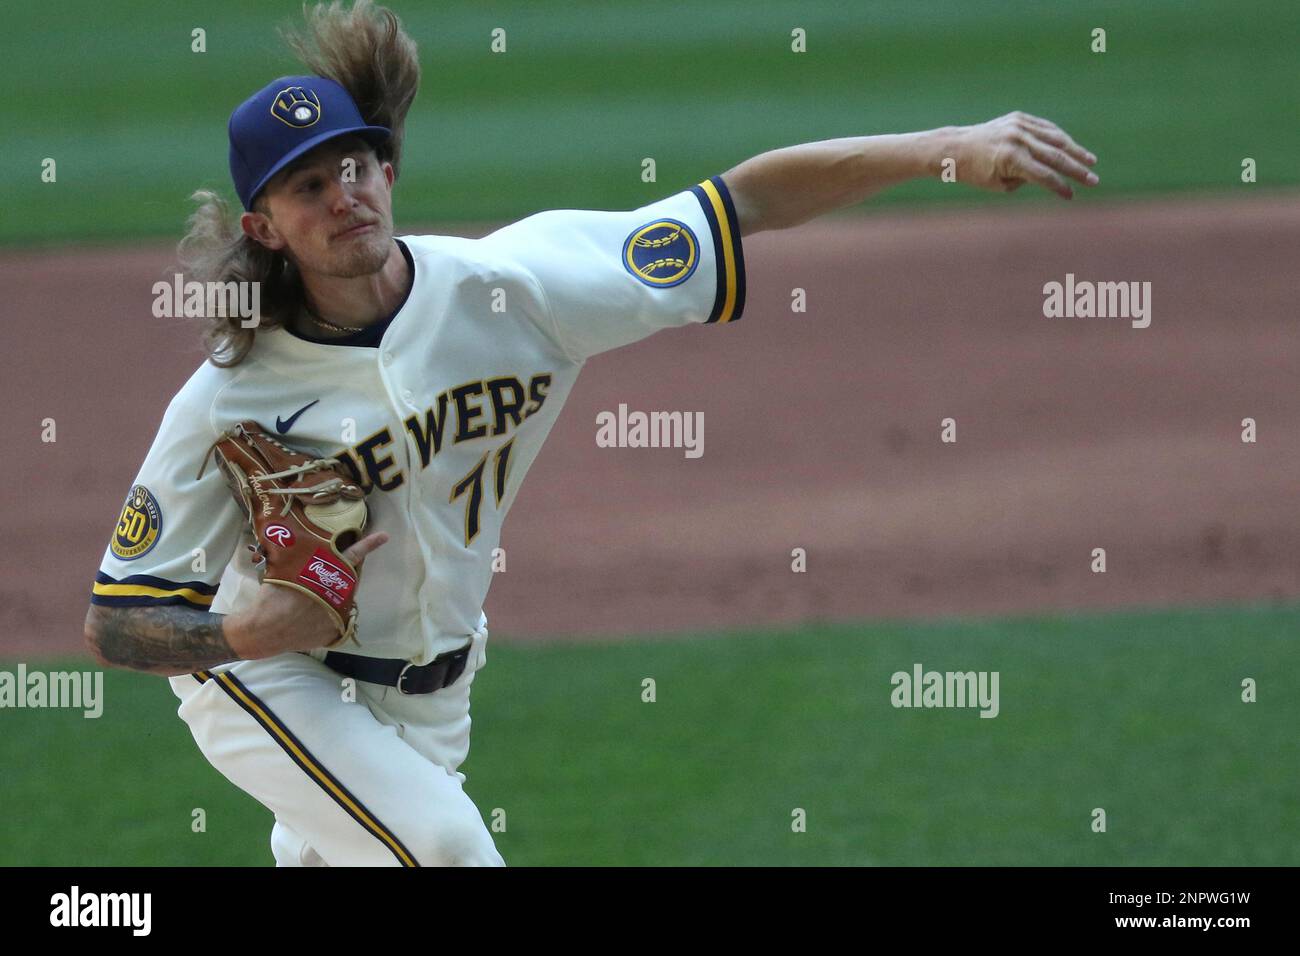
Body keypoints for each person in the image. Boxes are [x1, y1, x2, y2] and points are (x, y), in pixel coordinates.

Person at [83, 1, 1098, 867]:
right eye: (309, 184)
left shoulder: (515, 287)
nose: (345, 192)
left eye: (358, 163)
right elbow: (118, 619)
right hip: (269, 684)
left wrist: (940, 149)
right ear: (263, 227)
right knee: (446, 848)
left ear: (388, 168)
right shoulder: (228, 398)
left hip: (435, 698)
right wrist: (237, 636)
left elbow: (737, 202)